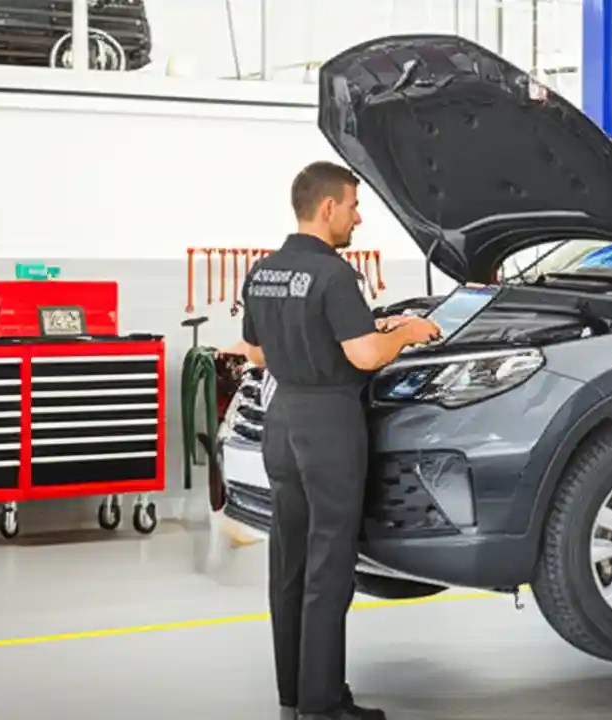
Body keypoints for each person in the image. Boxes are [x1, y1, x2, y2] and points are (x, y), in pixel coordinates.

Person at [239, 161, 441, 720]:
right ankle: (324, 703)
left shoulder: (263, 271)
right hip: (329, 423)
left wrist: (356, 331)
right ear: (326, 208)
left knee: (290, 564)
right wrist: (406, 331)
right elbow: (365, 356)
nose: (359, 215)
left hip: (282, 423)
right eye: (353, 205)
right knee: (330, 568)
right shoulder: (335, 275)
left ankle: (293, 695)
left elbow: (255, 352)